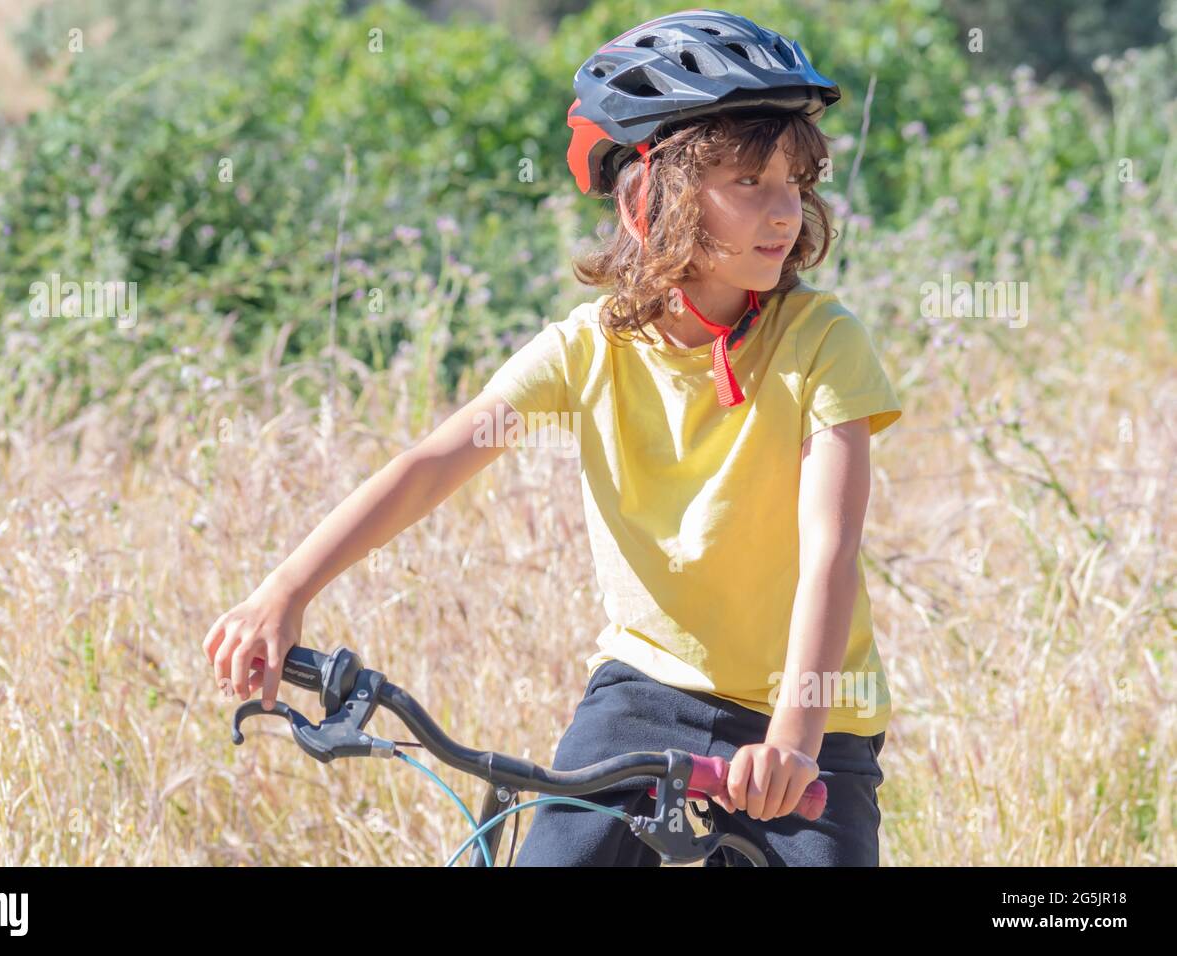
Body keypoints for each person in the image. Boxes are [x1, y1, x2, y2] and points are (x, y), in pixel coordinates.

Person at [203, 9, 901, 867]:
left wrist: (793, 742)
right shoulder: (590, 348)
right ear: (652, 197)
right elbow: (431, 466)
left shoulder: (823, 340)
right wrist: (284, 590)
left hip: (813, 713)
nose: (785, 209)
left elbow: (829, 547)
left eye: (796, 180)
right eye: (749, 182)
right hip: (649, 695)